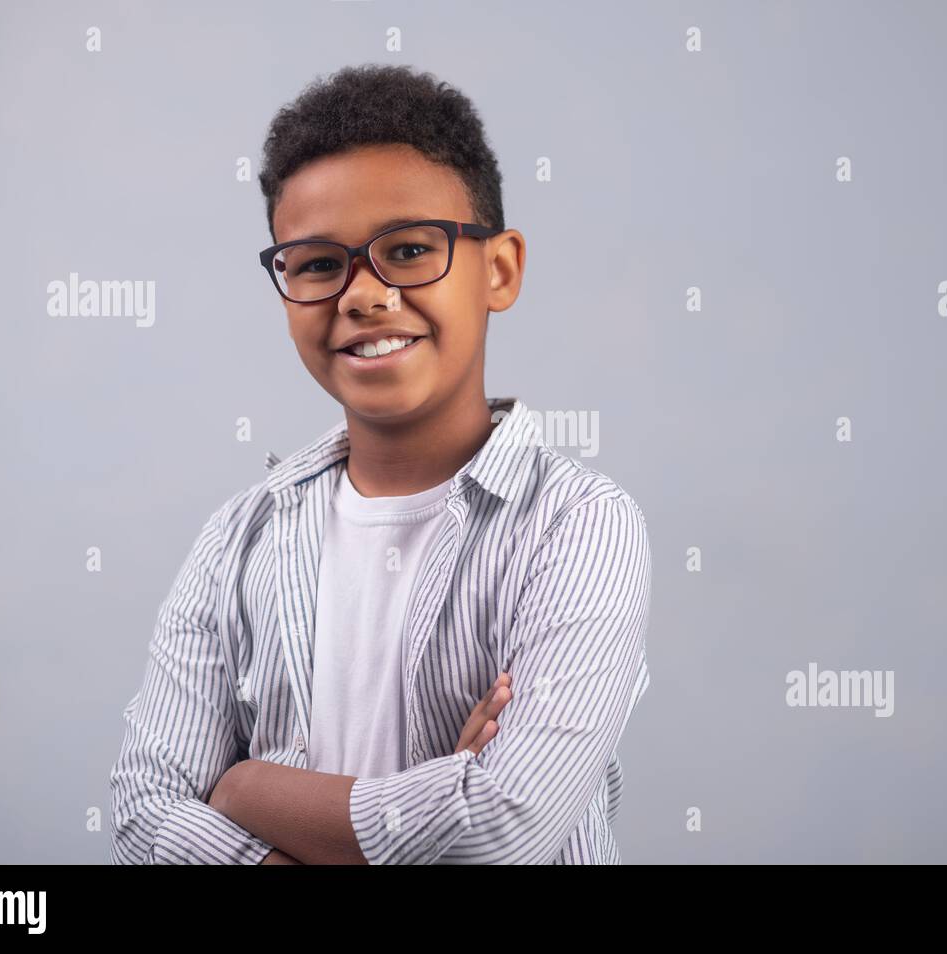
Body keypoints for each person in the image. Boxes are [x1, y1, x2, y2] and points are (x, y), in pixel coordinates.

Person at [108, 63, 652, 864]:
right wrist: (439, 800)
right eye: (319, 263)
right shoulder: (238, 538)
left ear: (498, 270)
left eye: (406, 249)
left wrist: (245, 790)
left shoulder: (579, 527)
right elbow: (144, 816)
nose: (362, 295)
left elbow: (501, 830)